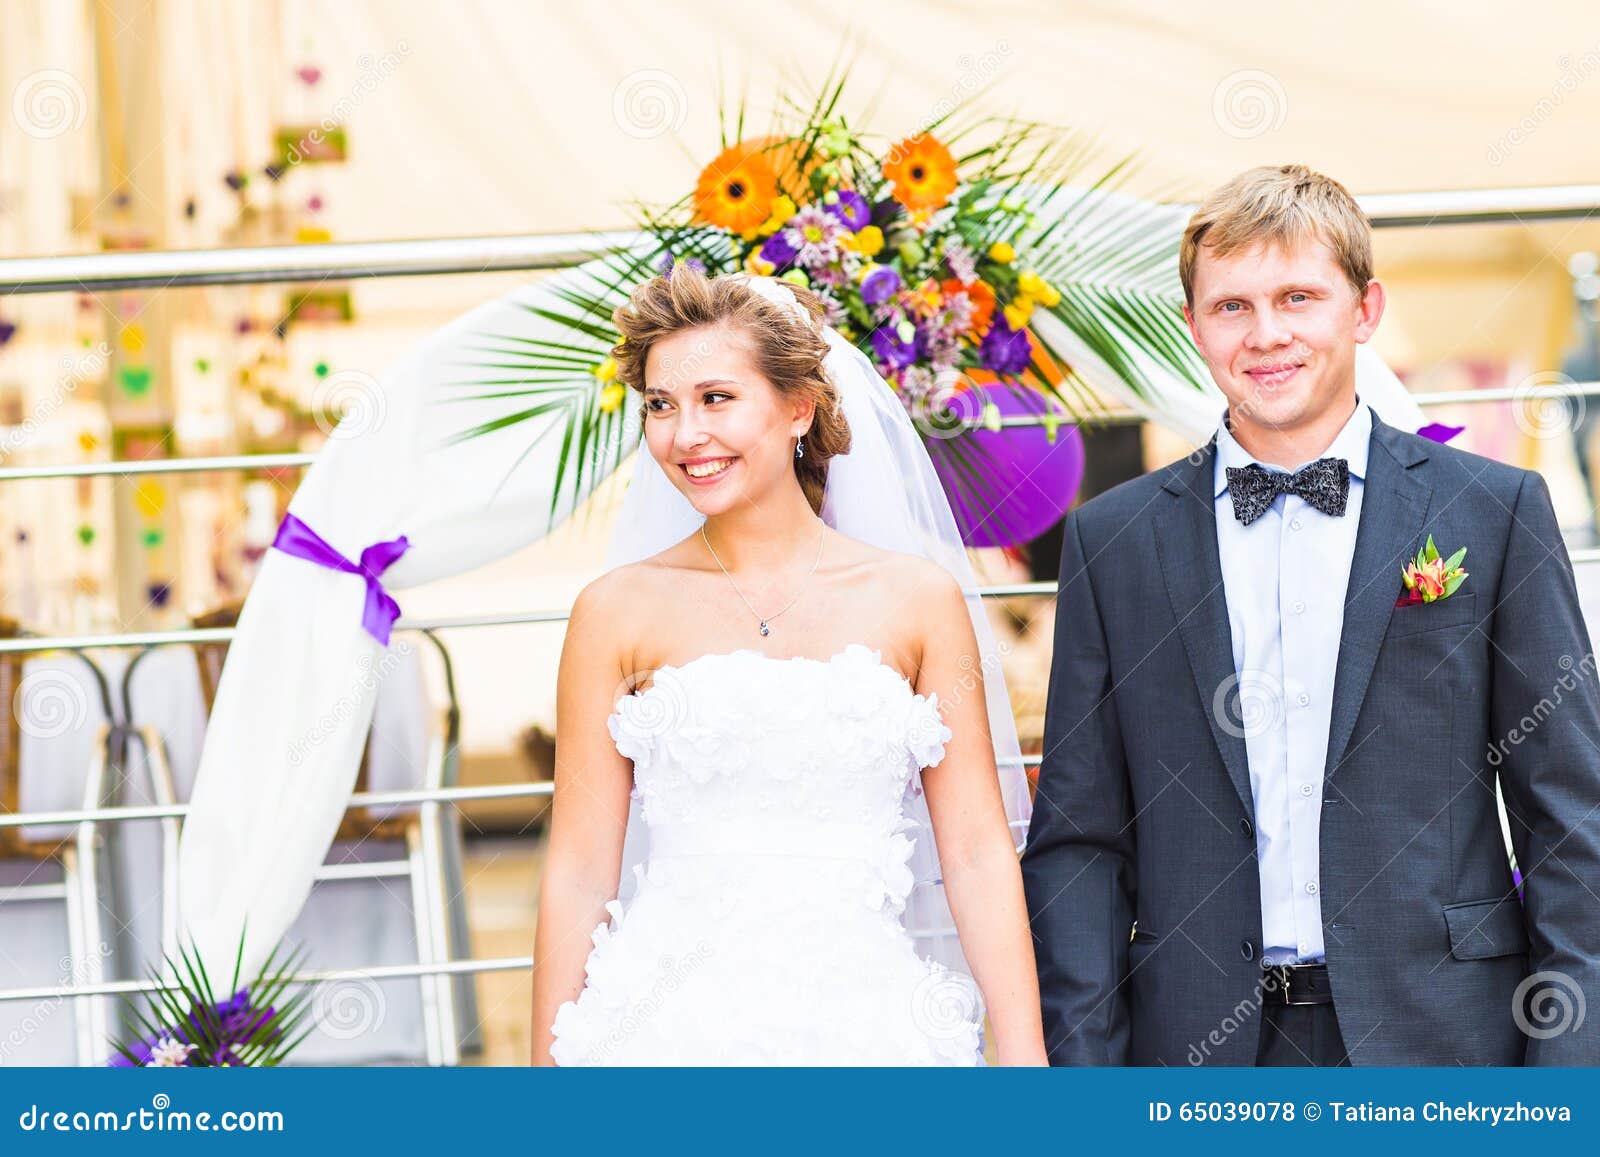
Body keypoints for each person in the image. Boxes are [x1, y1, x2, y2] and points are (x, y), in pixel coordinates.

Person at [1023, 163, 1600, 1066]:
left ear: (1365, 310)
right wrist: (1089, 1084)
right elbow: (1081, 842)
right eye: (1232, 306)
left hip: (1447, 1040)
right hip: (1195, 1050)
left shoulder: (1492, 512)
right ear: (1193, 326)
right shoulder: (1114, 541)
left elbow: (1571, 818)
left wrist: (1568, 1074)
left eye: (1298, 296)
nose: (1268, 334)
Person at [531, 265, 1044, 1065]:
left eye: (716, 398)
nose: (685, 434)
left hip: (871, 1032)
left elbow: (977, 850)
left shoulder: (917, 599)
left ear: (799, 405)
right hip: (661, 1034)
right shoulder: (613, 611)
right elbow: (577, 867)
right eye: (661, 405)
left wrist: (1024, 1064)